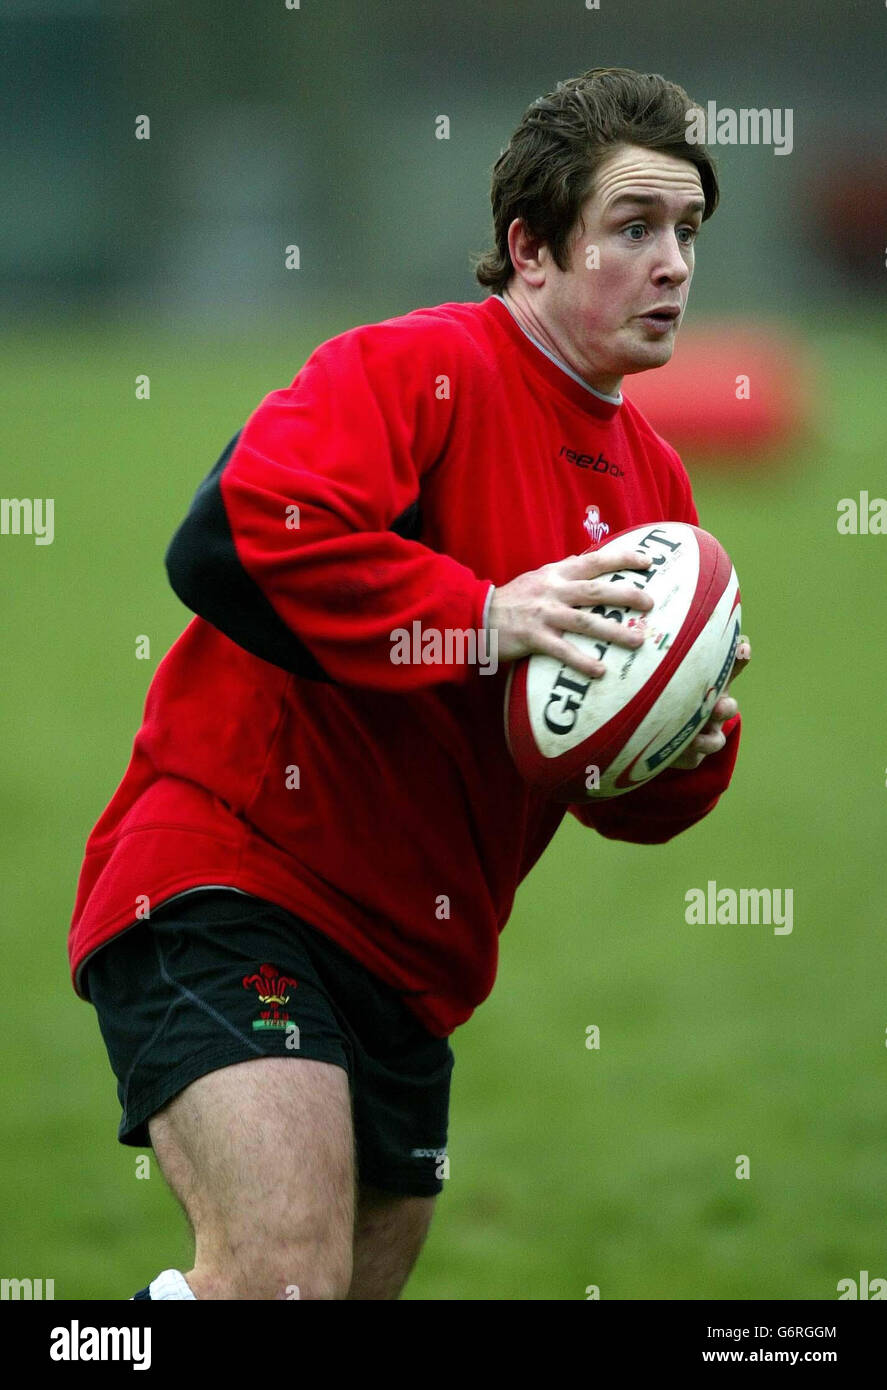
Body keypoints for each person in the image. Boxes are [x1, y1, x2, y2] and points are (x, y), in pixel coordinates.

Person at [69, 66, 751, 1301]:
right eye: (633, 228)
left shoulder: (657, 493)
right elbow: (225, 542)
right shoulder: (414, 367)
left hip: (412, 963)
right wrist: (480, 616)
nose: (670, 266)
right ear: (529, 249)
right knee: (282, 1281)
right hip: (233, 876)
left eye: (687, 232)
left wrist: (686, 737)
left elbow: (594, 774)